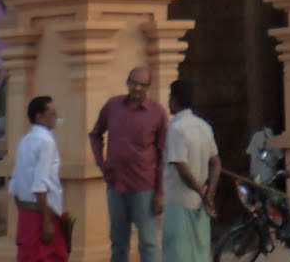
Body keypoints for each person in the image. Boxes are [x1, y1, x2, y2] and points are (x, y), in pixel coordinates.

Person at [90, 67, 168, 262]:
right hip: (116, 184)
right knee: (118, 242)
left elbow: (163, 154)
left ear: (148, 87)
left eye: (142, 84)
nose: (137, 88)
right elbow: (95, 134)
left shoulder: (157, 113)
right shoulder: (113, 106)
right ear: (127, 83)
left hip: (144, 187)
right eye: (134, 82)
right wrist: (102, 163)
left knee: (149, 243)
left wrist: (160, 193)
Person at [161, 79, 219, 262]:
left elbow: (181, 167)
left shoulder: (176, 128)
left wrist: (202, 192)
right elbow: (216, 163)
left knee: (178, 255)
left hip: (179, 201)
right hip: (201, 203)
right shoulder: (204, 127)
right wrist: (210, 192)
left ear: (175, 100)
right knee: (200, 254)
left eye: (170, 97)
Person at [11, 95, 66, 262]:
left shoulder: (25, 140)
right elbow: (40, 184)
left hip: (25, 208)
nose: (55, 116)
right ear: (39, 117)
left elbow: (15, 182)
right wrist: (47, 221)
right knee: (47, 256)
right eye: (51, 113)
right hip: (42, 209)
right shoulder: (46, 141)